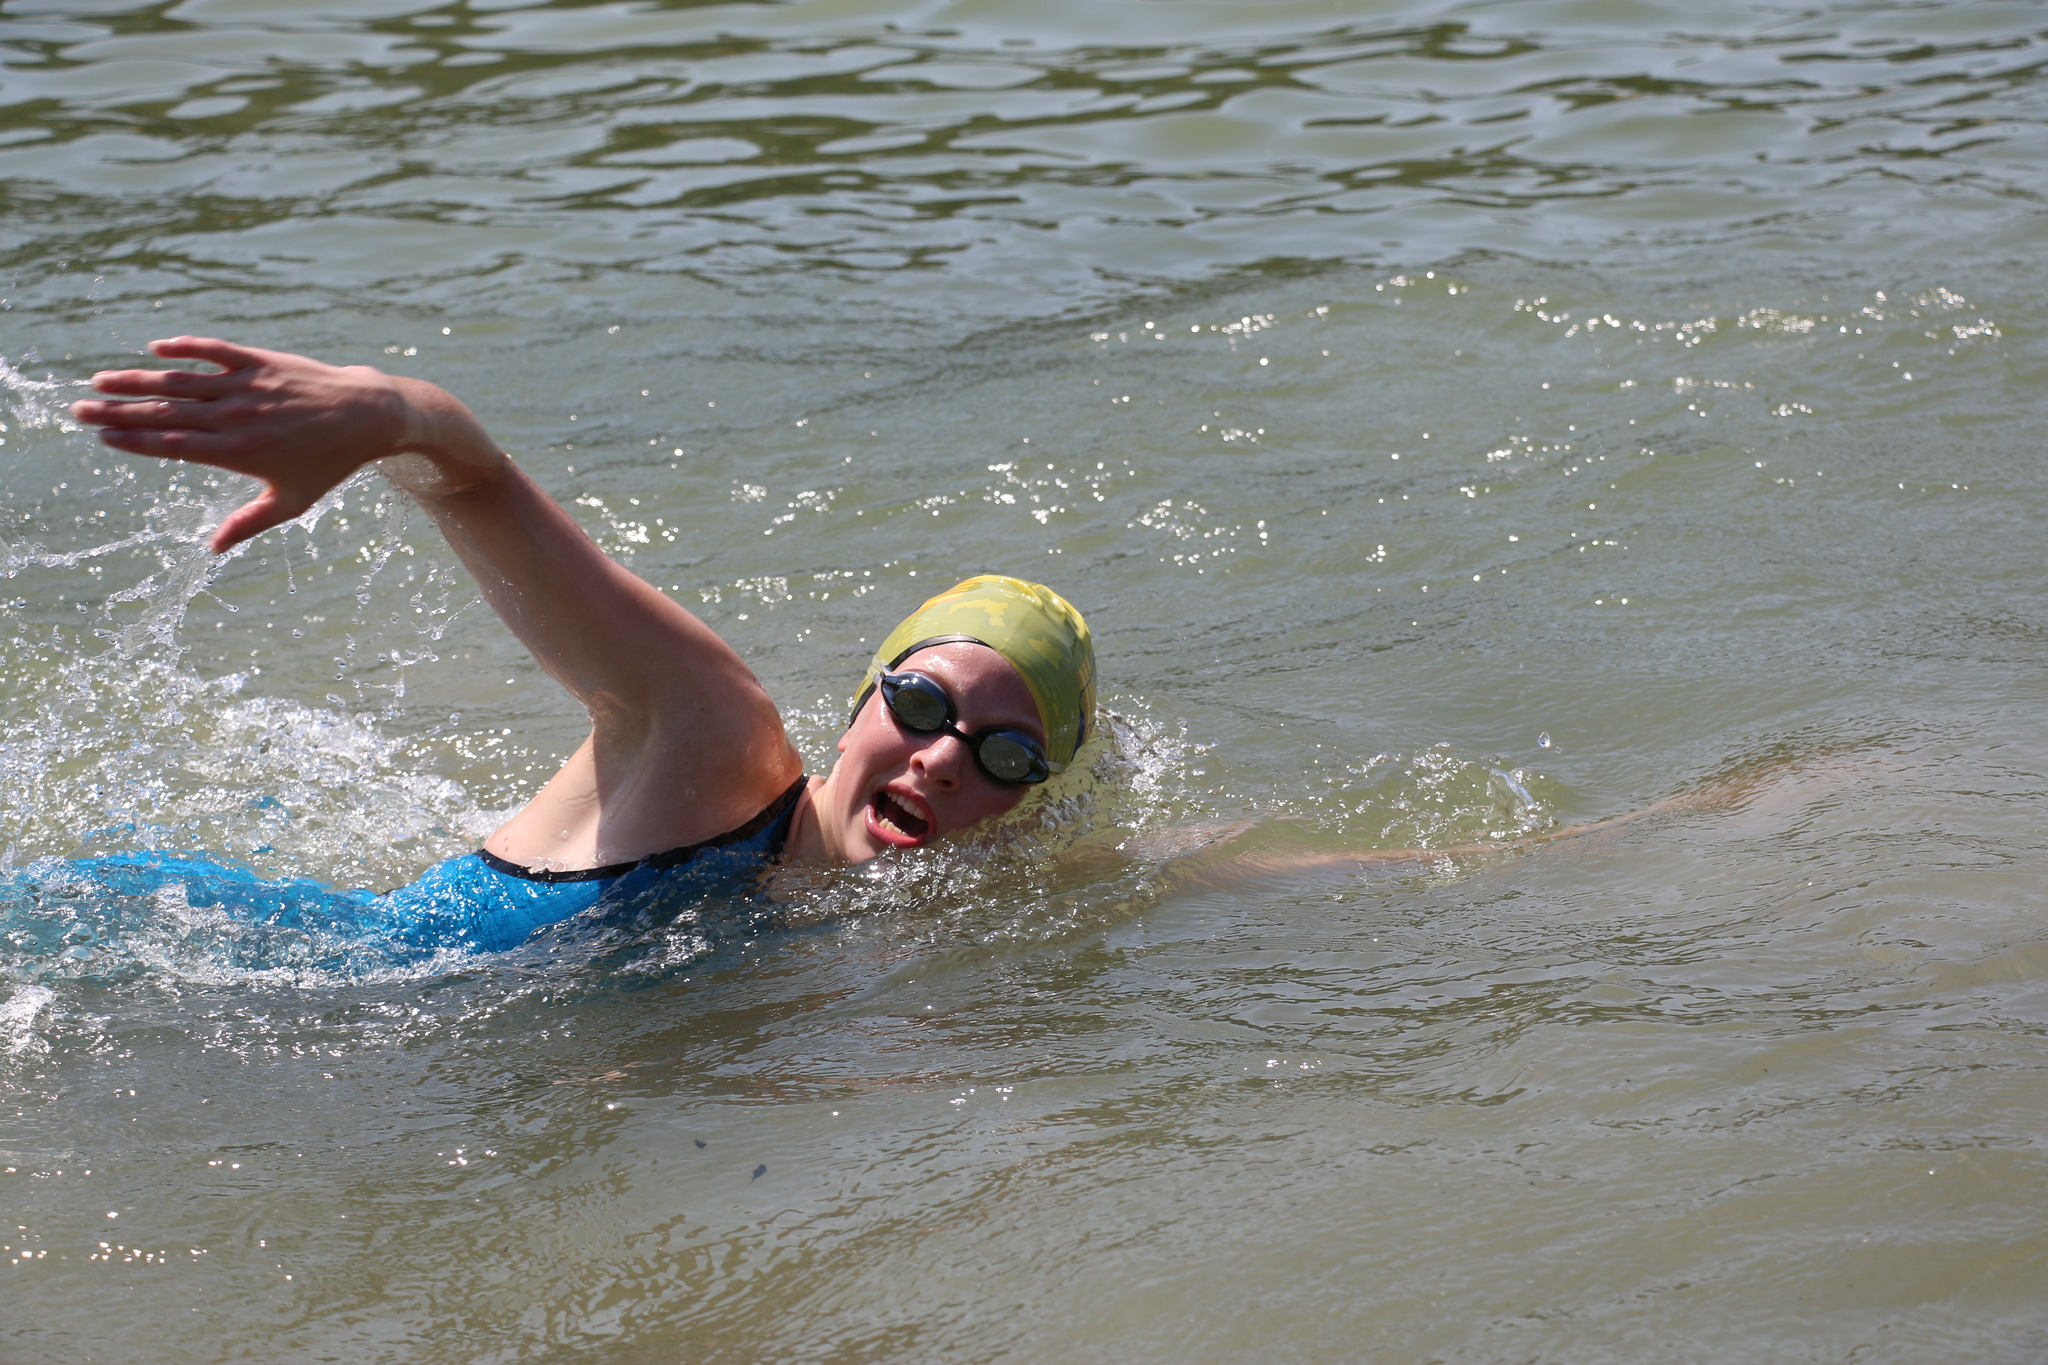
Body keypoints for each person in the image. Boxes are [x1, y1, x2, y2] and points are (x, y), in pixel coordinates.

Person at [66, 336, 1094, 954]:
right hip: (156, 957)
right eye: (920, 704)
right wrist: (391, 413)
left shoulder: (860, 928)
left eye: (1005, 755)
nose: (942, 759)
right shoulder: (716, 745)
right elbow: (478, 484)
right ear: (861, 702)